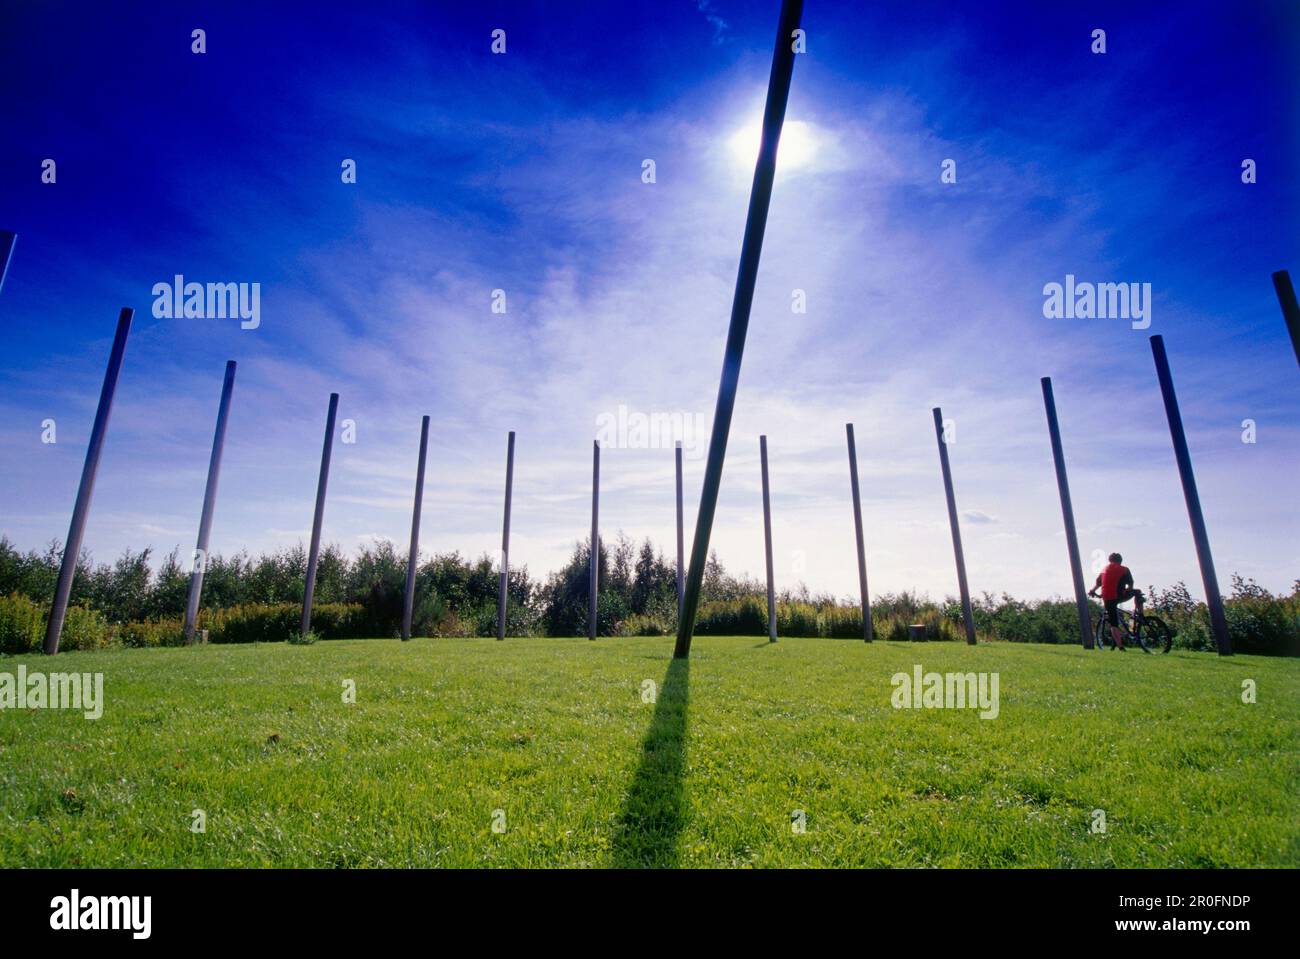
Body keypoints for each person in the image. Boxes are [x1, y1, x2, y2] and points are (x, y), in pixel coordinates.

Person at [1089, 552, 1135, 650]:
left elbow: (1098, 584)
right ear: (1120, 561)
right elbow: (1131, 584)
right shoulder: (1124, 569)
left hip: (1108, 598)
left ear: (1110, 560)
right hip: (1121, 595)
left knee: (1114, 623)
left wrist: (1092, 591)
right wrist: (1127, 590)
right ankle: (1138, 616)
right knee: (1138, 593)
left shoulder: (1103, 570)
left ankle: (1121, 647)